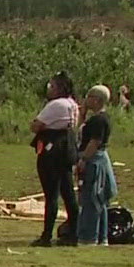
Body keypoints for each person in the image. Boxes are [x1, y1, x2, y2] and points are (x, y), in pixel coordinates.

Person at [29, 72, 81, 247]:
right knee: (67, 192)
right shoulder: (73, 104)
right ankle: (73, 232)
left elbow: (36, 125)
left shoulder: (56, 105)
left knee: (51, 193)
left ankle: (46, 235)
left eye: (52, 86)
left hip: (53, 148)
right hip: (67, 147)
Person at [74, 85, 116, 246]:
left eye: (89, 97)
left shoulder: (100, 120)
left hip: (94, 159)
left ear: (97, 100)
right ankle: (100, 237)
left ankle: (89, 237)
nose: (86, 100)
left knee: (92, 198)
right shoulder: (93, 119)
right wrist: (82, 115)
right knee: (98, 199)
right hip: (93, 157)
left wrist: (83, 158)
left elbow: (95, 141)